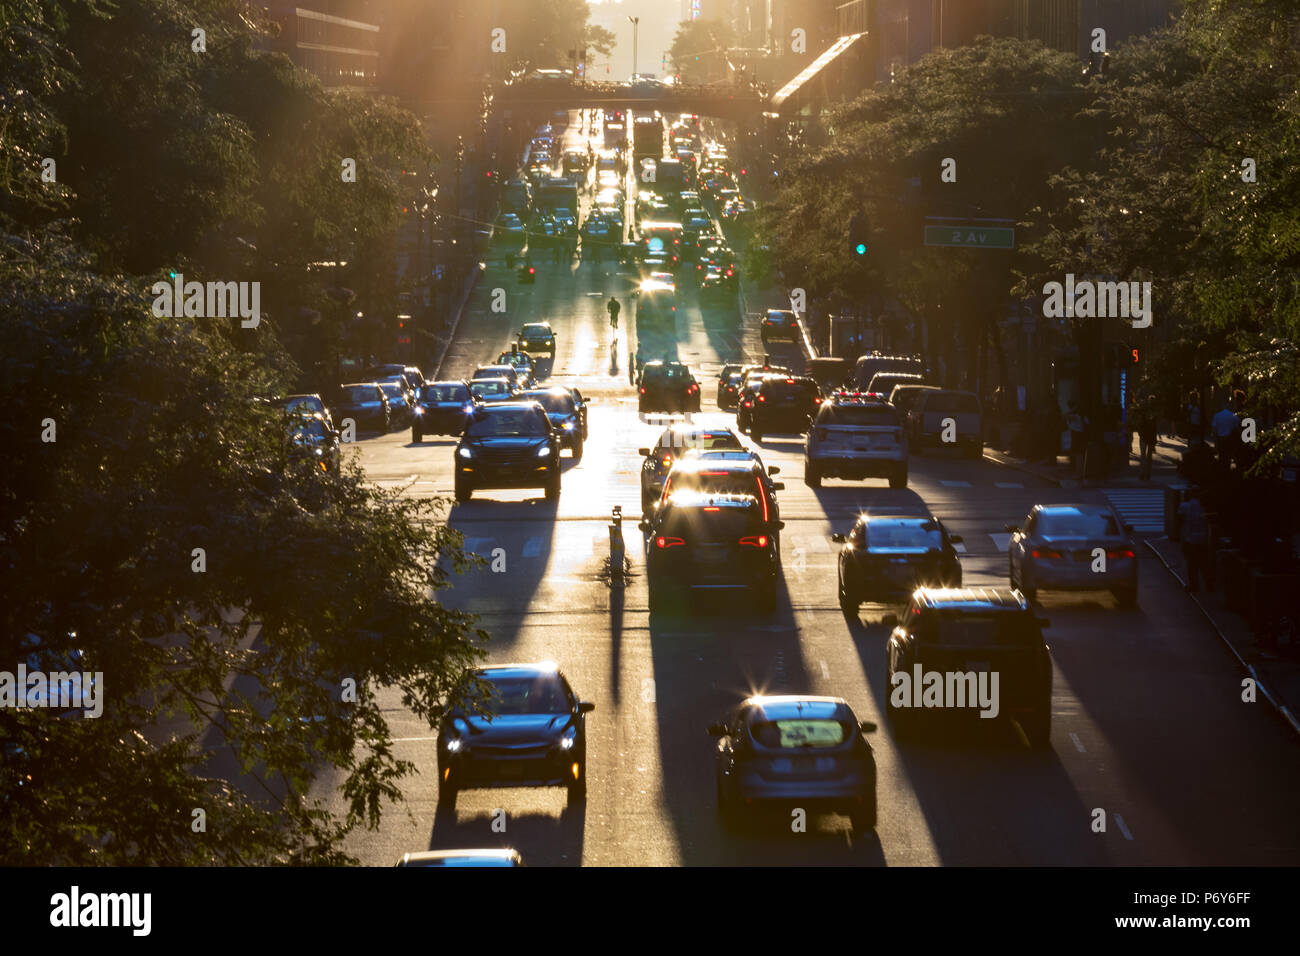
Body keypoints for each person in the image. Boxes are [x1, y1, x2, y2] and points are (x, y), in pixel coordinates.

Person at [1177, 488, 1212, 593]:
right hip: (1203, 539)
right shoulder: (1204, 506)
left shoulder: (1184, 506)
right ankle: (1209, 584)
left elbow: (1179, 519)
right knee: (1204, 563)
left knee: (1192, 564)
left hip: (1190, 539)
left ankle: (1194, 585)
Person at [1211, 395, 1240, 466]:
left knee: (1221, 457)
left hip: (1220, 439)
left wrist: (1215, 444)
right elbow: (1237, 430)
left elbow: (1214, 430)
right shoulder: (1234, 416)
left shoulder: (1217, 415)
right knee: (1228, 458)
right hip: (1229, 440)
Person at [1135, 393, 1159, 480]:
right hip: (1148, 435)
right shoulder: (1152, 412)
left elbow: (1140, 423)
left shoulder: (1145, 411)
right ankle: (1146, 473)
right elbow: (1155, 426)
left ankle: (1144, 473)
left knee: (1144, 456)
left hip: (1146, 435)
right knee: (1147, 456)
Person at [1064, 399, 1086, 475]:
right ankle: (1079, 471)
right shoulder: (1081, 416)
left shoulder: (1076, 416)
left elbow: (1065, 415)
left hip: (1077, 435)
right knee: (1079, 454)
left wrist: (1073, 409)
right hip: (1080, 435)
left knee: (1078, 454)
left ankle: (1079, 472)